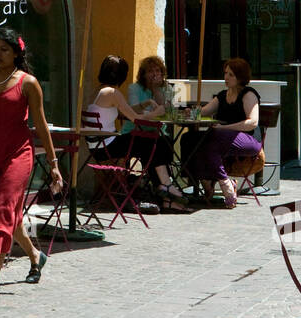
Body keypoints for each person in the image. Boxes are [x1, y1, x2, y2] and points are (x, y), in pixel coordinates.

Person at [0, 28, 63, 298]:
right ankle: (36, 256)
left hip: (19, 154)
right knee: (13, 216)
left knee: (1, 210)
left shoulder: (28, 82)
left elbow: (41, 123)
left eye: (4, 49)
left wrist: (54, 163)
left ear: (16, 52)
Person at [86, 55, 187, 211]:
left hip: (97, 145)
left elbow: (125, 112)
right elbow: (136, 119)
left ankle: (164, 192)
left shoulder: (98, 91)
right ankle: (165, 186)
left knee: (150, 144)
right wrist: (156, 113)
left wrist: (145, 103)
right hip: (106, 146)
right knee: (153, 142)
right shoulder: (113, 92)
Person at [188, 58, 261, 208]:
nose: (226, 77)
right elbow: (204, 111)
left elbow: (252, 122)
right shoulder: (222, 95)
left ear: (240, 77)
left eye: (231, 74)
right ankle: (205, 182)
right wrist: (191, 112)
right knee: (189, 138)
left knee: (213, 136)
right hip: (221, 139)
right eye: (225, 73)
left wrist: (224, 128)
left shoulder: (248, 94)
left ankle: (225, 184)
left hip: (248, 140)